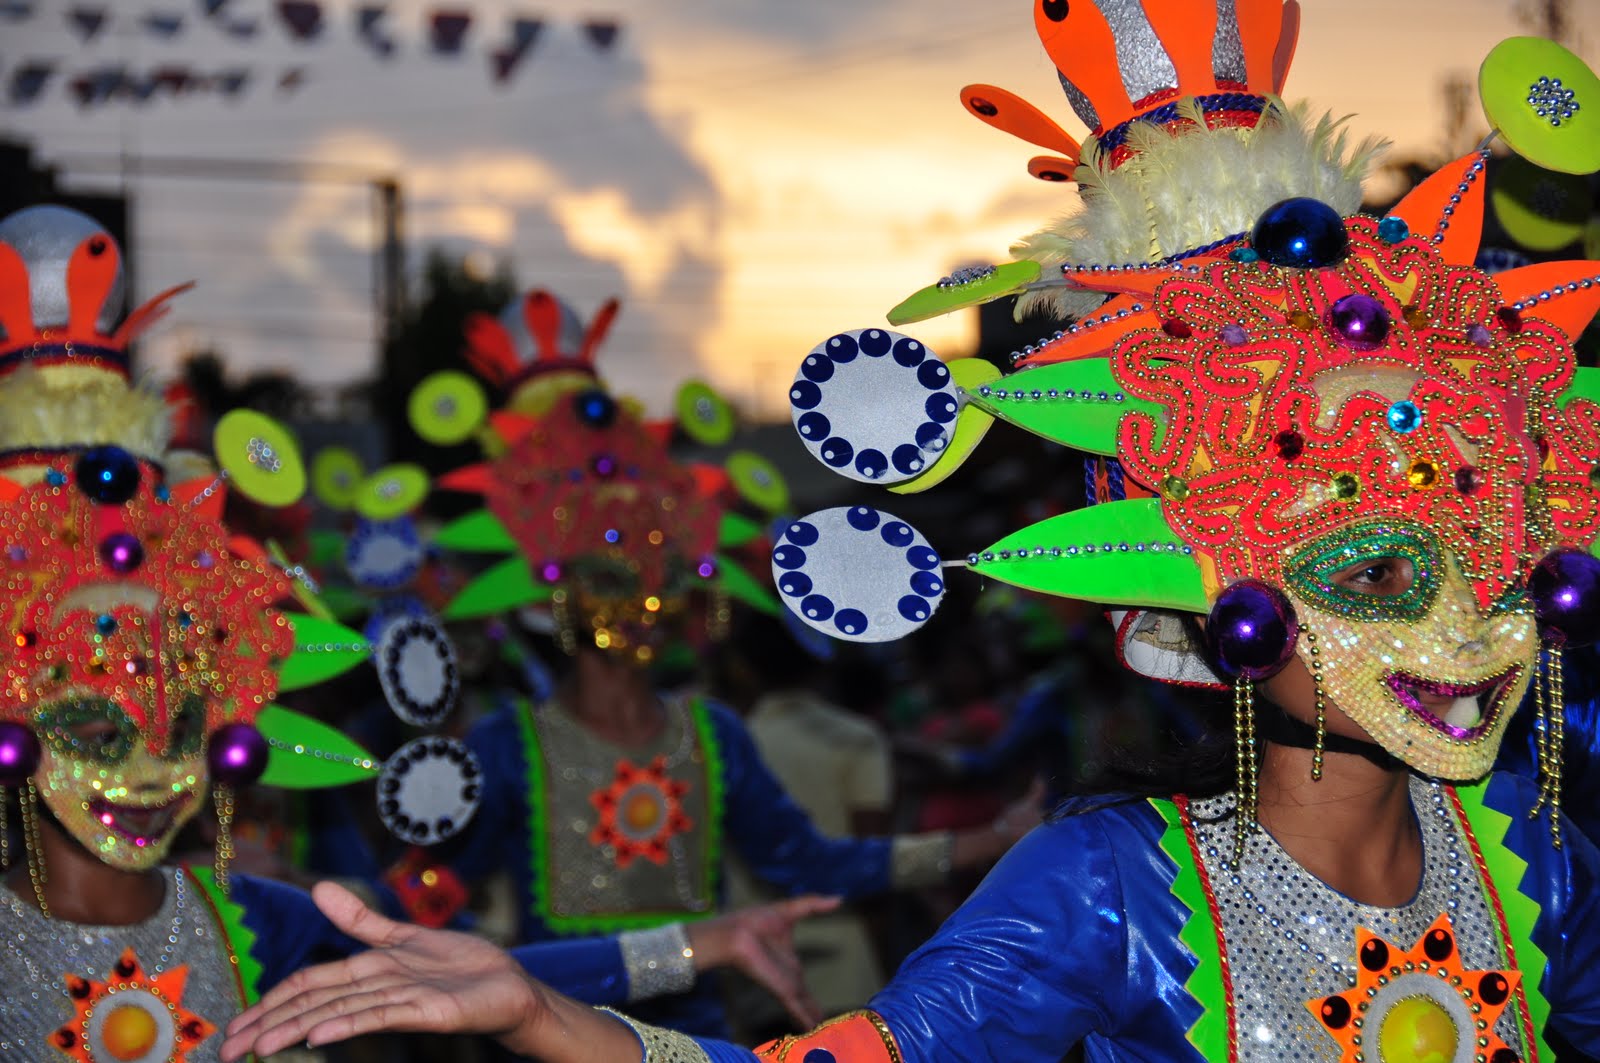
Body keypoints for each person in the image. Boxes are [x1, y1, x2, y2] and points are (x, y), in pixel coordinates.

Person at [217, 3, 1600, 1061]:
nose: (1471, 626)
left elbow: (816, 868)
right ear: (1200, 590)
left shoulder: (1535, 857)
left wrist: (950, 843)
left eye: (1501, 559)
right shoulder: (1113, 886)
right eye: (1378, 569)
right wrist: (543, 1002)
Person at [0, 207, 854, 1060]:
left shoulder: (246, 916)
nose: (150, 770)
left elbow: (473, 976)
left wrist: (706, 941)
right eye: (96, 730)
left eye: (185, 722)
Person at [416, 290, 1042, 1035]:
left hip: (695, 1037)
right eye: (613, 573)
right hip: (555, 1031)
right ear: (556, 589)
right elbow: (436, 894)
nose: (644, 598)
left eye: (663, 569)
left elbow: (809, 862)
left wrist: (988, 839)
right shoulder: (508, 744)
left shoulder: (713, 735)